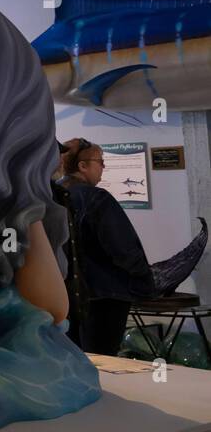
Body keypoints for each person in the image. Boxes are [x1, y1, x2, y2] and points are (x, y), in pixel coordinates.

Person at [55, 138, 156, 355]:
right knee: (103, 360)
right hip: (104, 296)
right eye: (100, 162)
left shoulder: (52, 195)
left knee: (74, 357)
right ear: (83, 166)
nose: (103, 167)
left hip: (63, 295)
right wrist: (145, 280)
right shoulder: (96, 198)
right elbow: (123, 247)